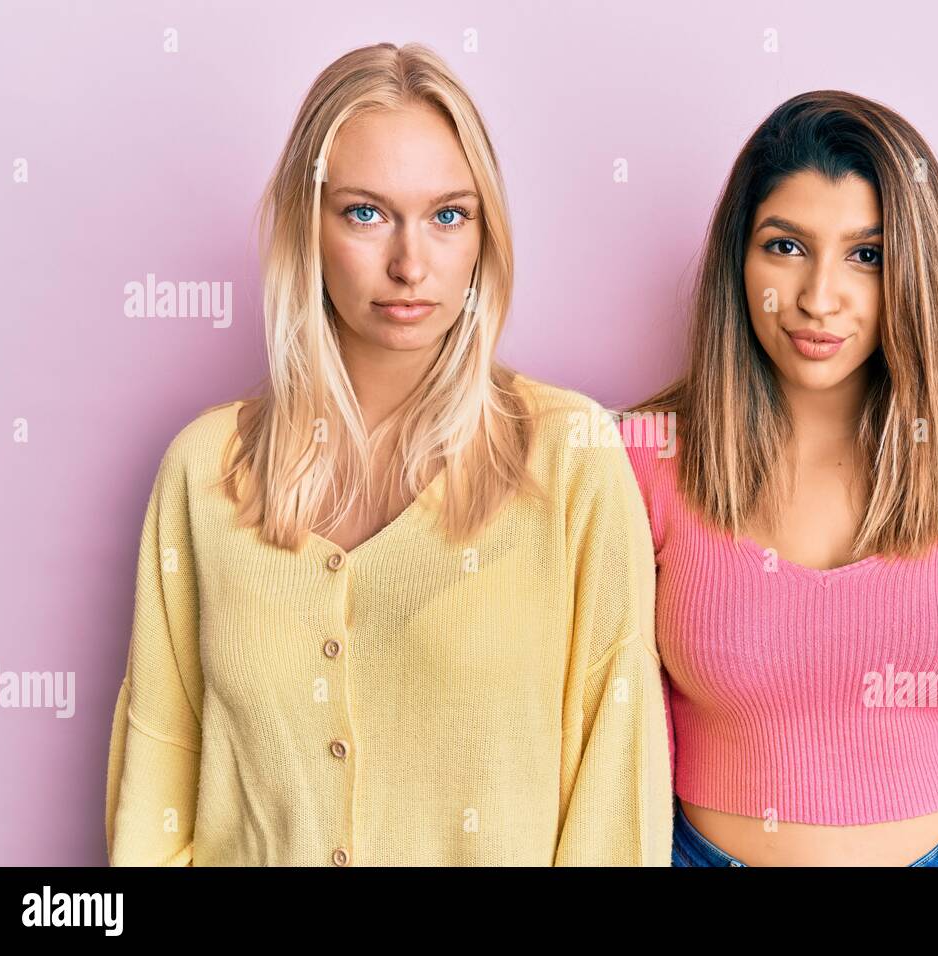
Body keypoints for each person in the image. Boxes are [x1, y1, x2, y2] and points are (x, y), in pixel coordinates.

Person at [105, 41, 670, 866]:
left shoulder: (572, 461)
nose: (410, 265)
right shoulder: (203, 472)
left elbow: (616, 805)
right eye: (366, 213)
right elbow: (153, 790)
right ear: (310, 224)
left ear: (485, 234)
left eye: (448, 216)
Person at [624, 90, 938, 867]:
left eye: (867, 255)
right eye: (786, 246)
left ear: (914, 274)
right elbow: (613, 758)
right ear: (740, 256)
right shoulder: (639, 462)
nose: (818, 297)